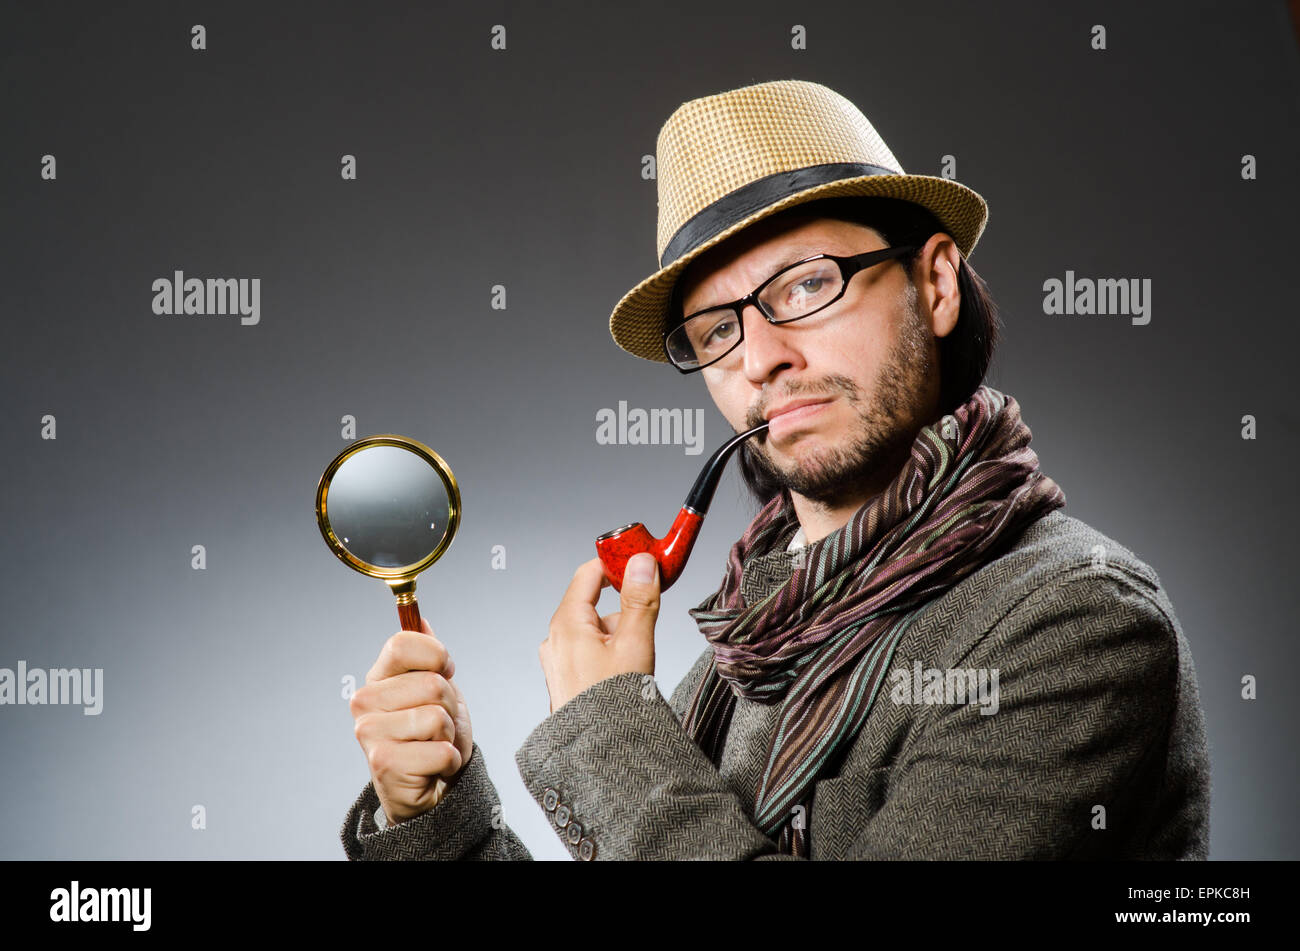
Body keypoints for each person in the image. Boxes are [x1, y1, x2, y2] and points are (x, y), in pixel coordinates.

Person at [341, 79, 1211, 860]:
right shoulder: (760, 638)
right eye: (718, 328)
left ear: (937, 285)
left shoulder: (1078, 622)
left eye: (803, 286)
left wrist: (606, 726)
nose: (759, 357)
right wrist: (433, 820)